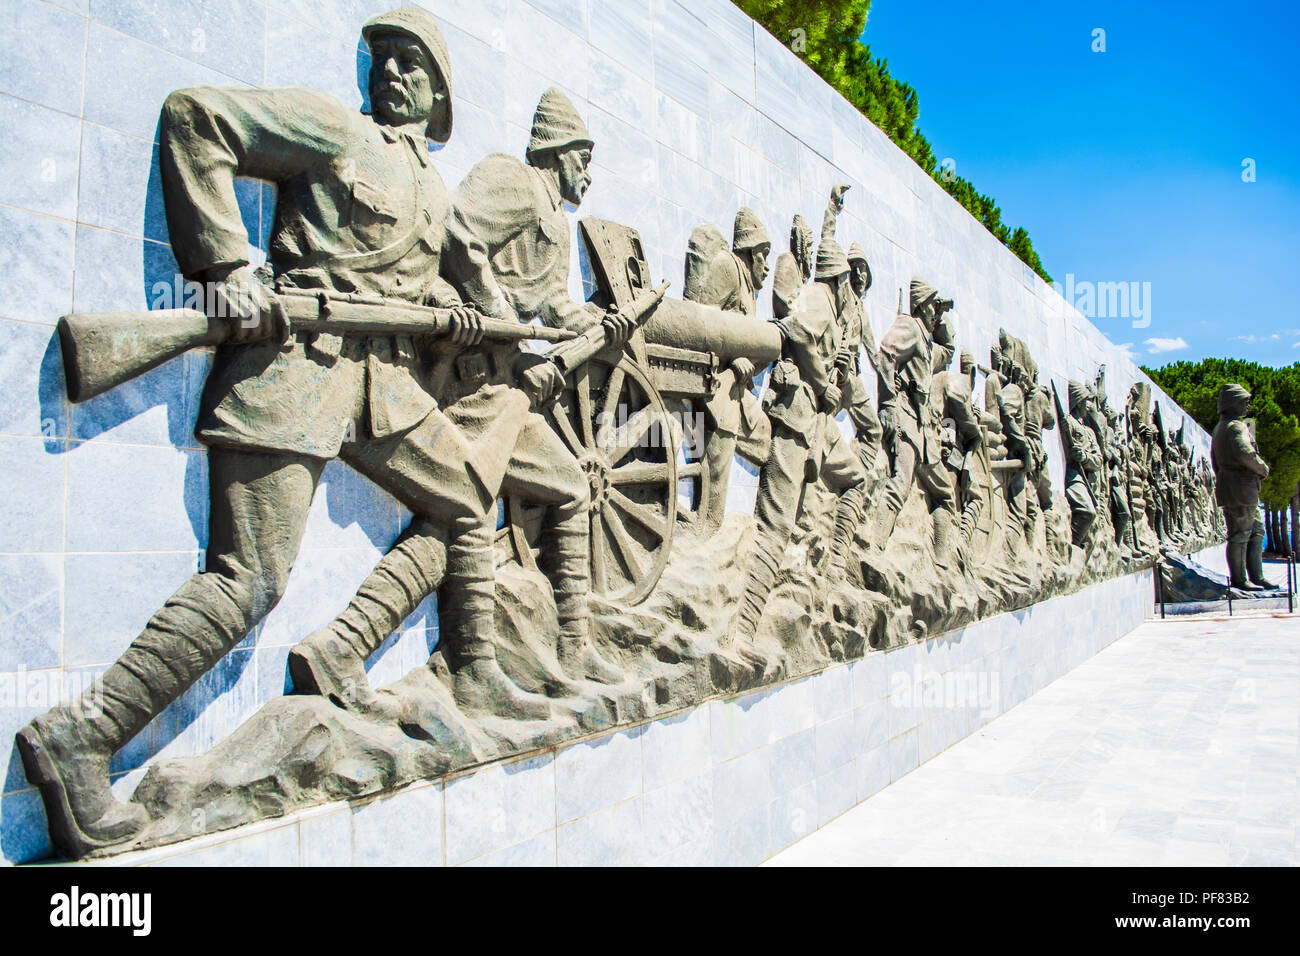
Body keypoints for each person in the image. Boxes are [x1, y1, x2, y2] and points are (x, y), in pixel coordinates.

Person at [16, 7, 494, 858]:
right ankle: (81, 737)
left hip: (378, 386)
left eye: (412, 64)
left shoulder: (437, 195)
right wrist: (230, 264)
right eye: (383, 58)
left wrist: (450, 320)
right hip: (294, 370)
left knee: (463, 504)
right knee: (248, 582)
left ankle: (342, 649)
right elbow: (197, 117)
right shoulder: (334, 131)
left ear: (440, 95)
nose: (392, 73)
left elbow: (461, 301)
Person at [291, 87, 631, 719]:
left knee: (559, 488)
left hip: (505, 383)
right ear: (559, 152)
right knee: (466, 502)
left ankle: (571, 648)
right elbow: (456, 233)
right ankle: (416, 659)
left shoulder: (553, 220)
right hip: (472, 376)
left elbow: (556, 306)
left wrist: (599, 326)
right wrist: (495, 311)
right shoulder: (512, 179)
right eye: (584, 155)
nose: (589, 171)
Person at [732, 236, 868, 646]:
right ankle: (741, 633)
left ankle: (830, 580)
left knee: (855, 481)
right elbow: (797, 330)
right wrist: (825, 380)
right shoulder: (818, 297)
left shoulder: (836, 310)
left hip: (818, 428)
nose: (853, 290)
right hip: (795, 420)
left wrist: (838, 370)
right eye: (849, 280)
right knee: (776, 528)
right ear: (841, 278)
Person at [682, 208, 773, 535]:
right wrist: (733, 359)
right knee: (714, 466)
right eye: (764, 255)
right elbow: (702, 323)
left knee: (739, 455)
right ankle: (703, 536)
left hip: (733, 391)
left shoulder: (747, 284)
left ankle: (707, 532)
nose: (767, 265)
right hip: (714, 386)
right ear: (750, 252)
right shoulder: (727, 268)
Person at [873, 278, 959, 564]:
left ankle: (942, 563)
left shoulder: (925, 339)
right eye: (934, 306)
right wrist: (886, 403)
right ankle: (874, 548)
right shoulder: (910, 327)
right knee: (899, 485)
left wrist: (943, 314)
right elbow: (885, 352)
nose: (937, 311)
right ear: (923, 305)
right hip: (906, 419)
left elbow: (947, 352)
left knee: (945, 494)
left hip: (924, 433)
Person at [1211, 384, 1275, 589]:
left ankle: (1257, 577)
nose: (1247, 405)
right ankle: (1241, 581)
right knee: (1240, 534)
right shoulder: (1235, 426)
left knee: (1256, 532)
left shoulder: (1221, 427)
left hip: (1234, 487)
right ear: (1231, 403)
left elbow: (1215, 461)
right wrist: (1262, 468)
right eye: (1244, 401)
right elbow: (1245, 452)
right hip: (1240, 489)